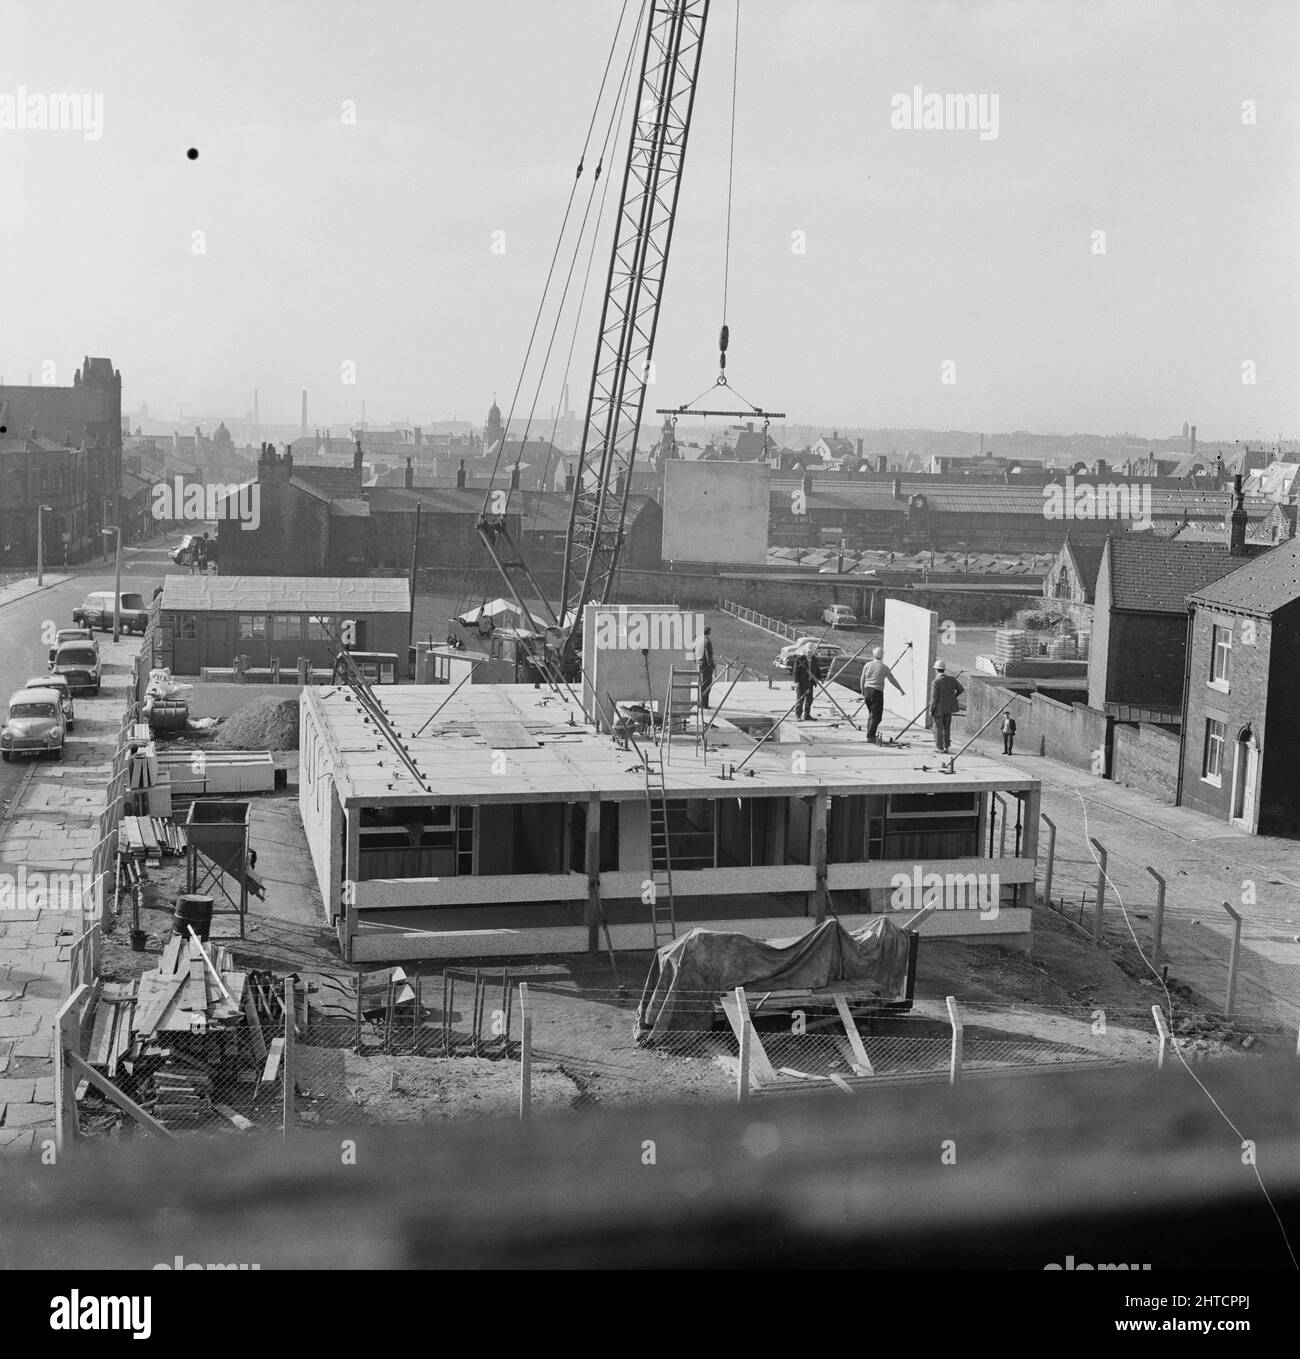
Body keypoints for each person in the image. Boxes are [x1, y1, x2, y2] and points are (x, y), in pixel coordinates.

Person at [860, 645, 904, 742]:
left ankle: (869, 731)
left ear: (874, 655)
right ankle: (870, 736)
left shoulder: (867, 665)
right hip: (877, 692)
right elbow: (892, 680)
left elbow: (862, 679)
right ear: (882, 656)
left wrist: (862, 691)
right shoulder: (884, 668)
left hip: (867, 690)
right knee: (877, 717)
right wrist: (900, 689)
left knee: (871, 713)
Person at [929, 659, 964, 754]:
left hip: (939, 709)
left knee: (938, 729)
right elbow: (961, 689)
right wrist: (953, 697)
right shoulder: (952, 679)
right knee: (946, 729)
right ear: (944, 669)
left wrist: (930, 710)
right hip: (949, 709)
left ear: (936, 670)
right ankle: (946, 747)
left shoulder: (936, 682)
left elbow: (934, 699)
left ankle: (940, 748)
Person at [792, 646, 818, 720]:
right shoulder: (800, 660)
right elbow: (795, 671)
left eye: (811, 652)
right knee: (800, 700)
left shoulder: (814, 659)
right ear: (805, 652)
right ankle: (798, 715)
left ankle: (807, 715)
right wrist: (796, 681)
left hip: (810, 682)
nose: (809, 654)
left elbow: (817, 669)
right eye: (808, 652)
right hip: (801, 683)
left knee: (809, 700)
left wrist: (820, 678)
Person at [694, 624, 715, 709]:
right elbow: (708, 655)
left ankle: (701, 702)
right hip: (705, 666)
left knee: (701, 684)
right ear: (709, 633)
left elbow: (693, 651)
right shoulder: (707, 641)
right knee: (707, 685)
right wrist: (712, 666)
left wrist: (695, 661)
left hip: (699, 664)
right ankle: (704, 704)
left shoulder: (698, 640)